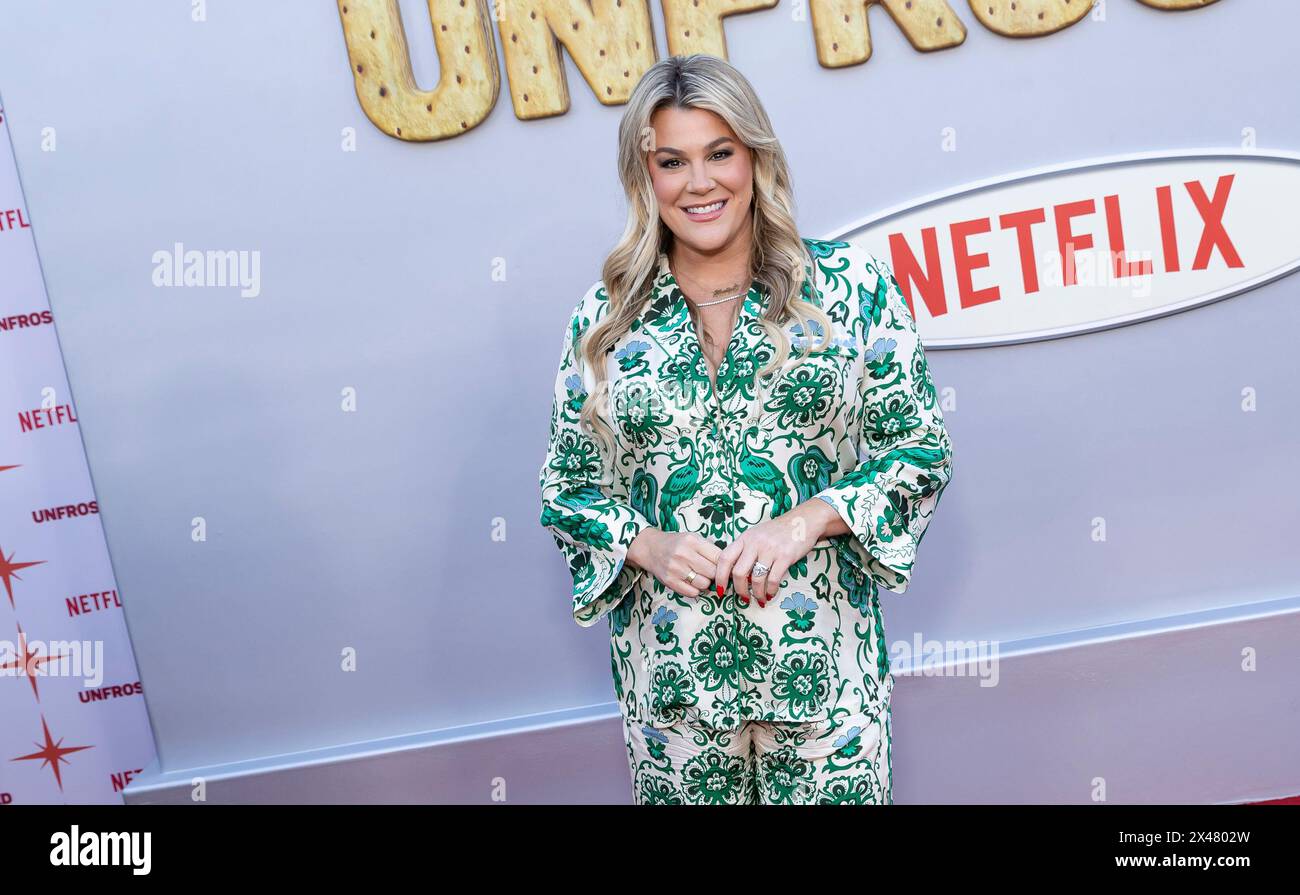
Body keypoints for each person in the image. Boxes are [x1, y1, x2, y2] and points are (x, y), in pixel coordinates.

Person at [538, 54, 953, 805]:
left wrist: (811, 518)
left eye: (719, 153)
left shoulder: (850, 290)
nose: (699, 184)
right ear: (646, 176)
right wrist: (647, 544)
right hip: (674, 694)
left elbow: (919, 452)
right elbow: (567, 491)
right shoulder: (601, 323)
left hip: (824, 680)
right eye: (673, 162)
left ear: (755, 157)